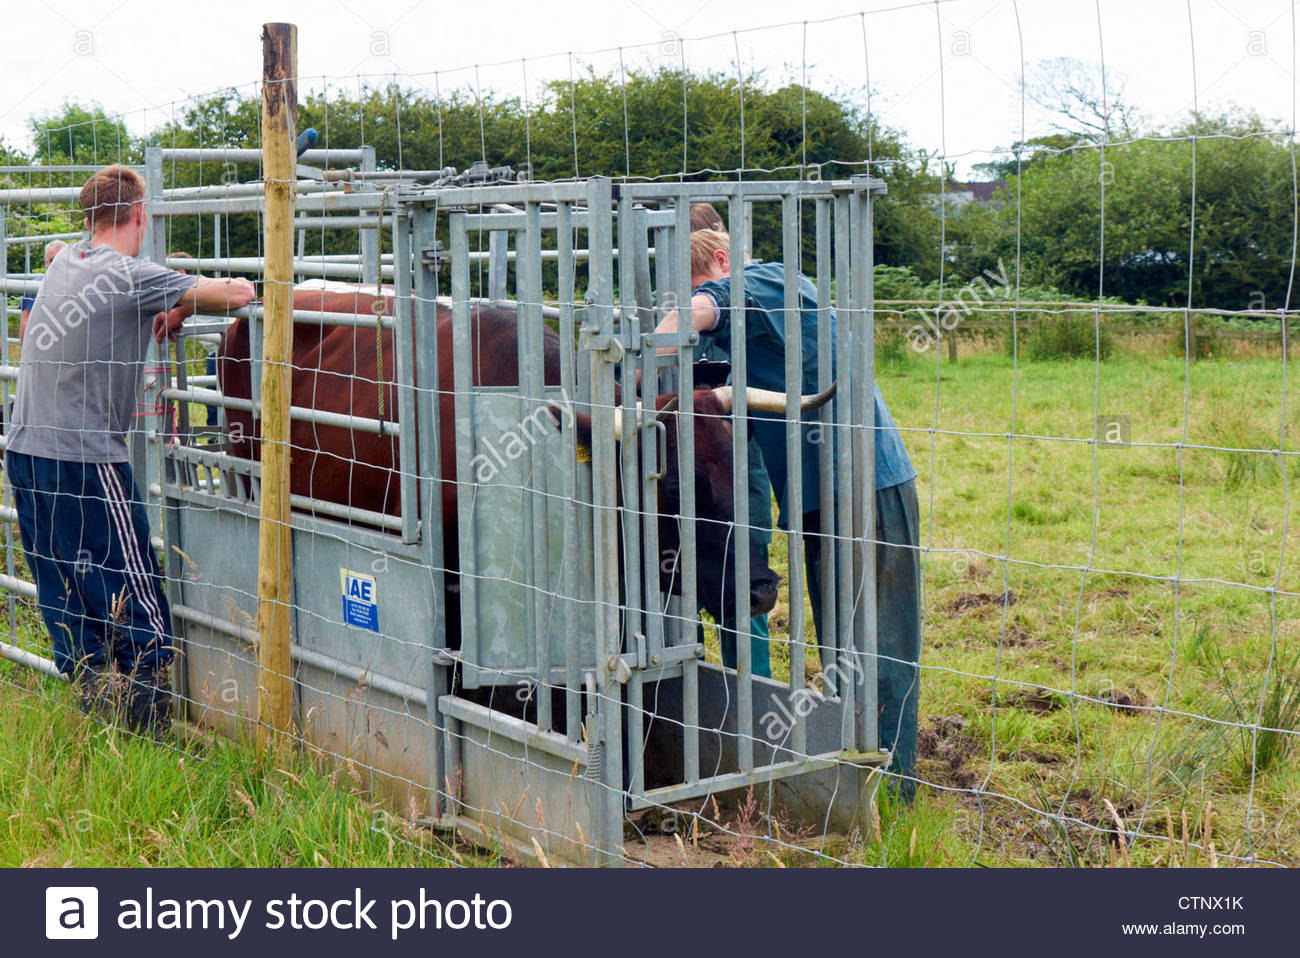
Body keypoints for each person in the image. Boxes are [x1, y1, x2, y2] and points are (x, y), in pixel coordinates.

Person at [656, 226, 922, 800]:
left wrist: (647, 342)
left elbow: (711, 305)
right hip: (824, 497)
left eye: (693, 286)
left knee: (878, 645)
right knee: (844, 645)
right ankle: (863, 774)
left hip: (866, 484)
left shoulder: (770, 282)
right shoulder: (750, 330)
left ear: (723, 260)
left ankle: (895, 792)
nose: (696, 304)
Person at [5, 164, 256, 735]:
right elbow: (239, 293)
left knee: (64, 587)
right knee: (134, 584)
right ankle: (150, 729)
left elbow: (50, 252)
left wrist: (166, 299)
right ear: (140, 216)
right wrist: (186, 299)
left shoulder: (65, 259)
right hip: (86, 458)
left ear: (89, 219)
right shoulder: (133, 273)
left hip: (24, 450)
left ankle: (99, 719)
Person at [17, 239, 68, 343]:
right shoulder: (34, 287)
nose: (58, 264)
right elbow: (25, 321)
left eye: (62, 259)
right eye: (53, 260)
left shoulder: (77, 284)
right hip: (43, 344)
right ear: (46, 263)